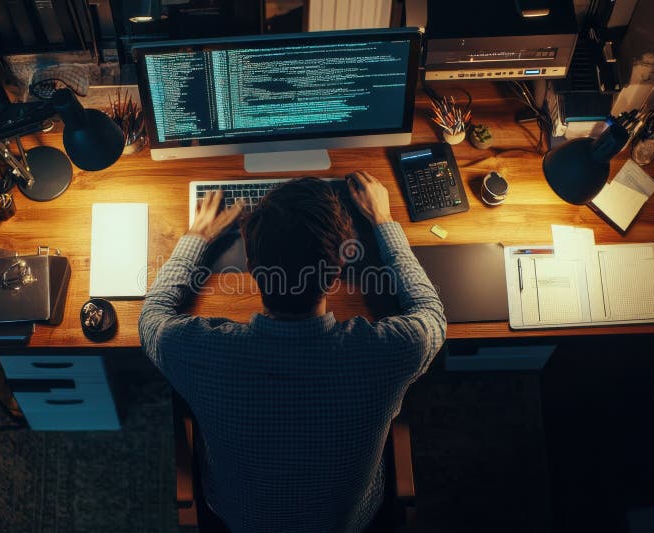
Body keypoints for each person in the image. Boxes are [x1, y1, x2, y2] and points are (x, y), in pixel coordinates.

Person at [139, 171, 446, 532]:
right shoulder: (392, 351)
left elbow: (151, 316)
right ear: (335, 276)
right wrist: (384, 221)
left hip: (241, 518)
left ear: (252, 269)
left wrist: (196, 237)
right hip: (347, 522)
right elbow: (431, 312)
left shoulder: (198, 352)